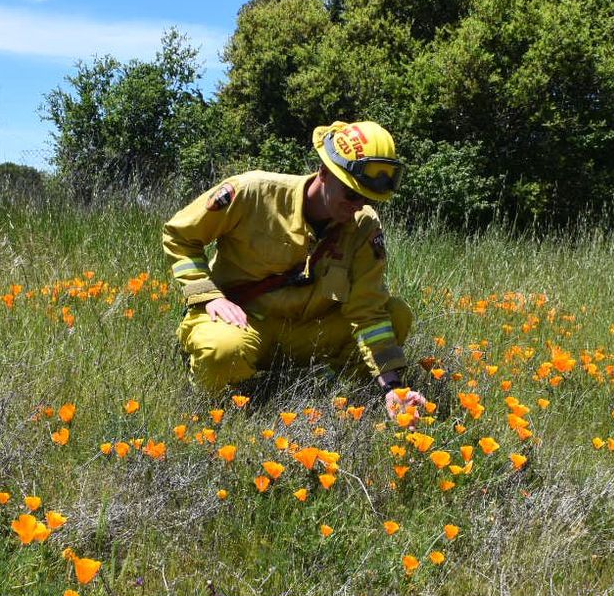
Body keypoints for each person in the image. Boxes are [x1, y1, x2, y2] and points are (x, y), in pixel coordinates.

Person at [162, 119, 427, 419]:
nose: (358, 206)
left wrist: (394, 387)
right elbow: (179, 235)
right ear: (324, 173)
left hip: (306, 334)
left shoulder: (364, 225)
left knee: (396, 315)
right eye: (351, 194)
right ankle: (223, 404)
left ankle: (333, 391)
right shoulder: (252, 192)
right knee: (223, 351)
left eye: (368, 199)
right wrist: (209, 296)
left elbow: (369, 312)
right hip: (242, 322)